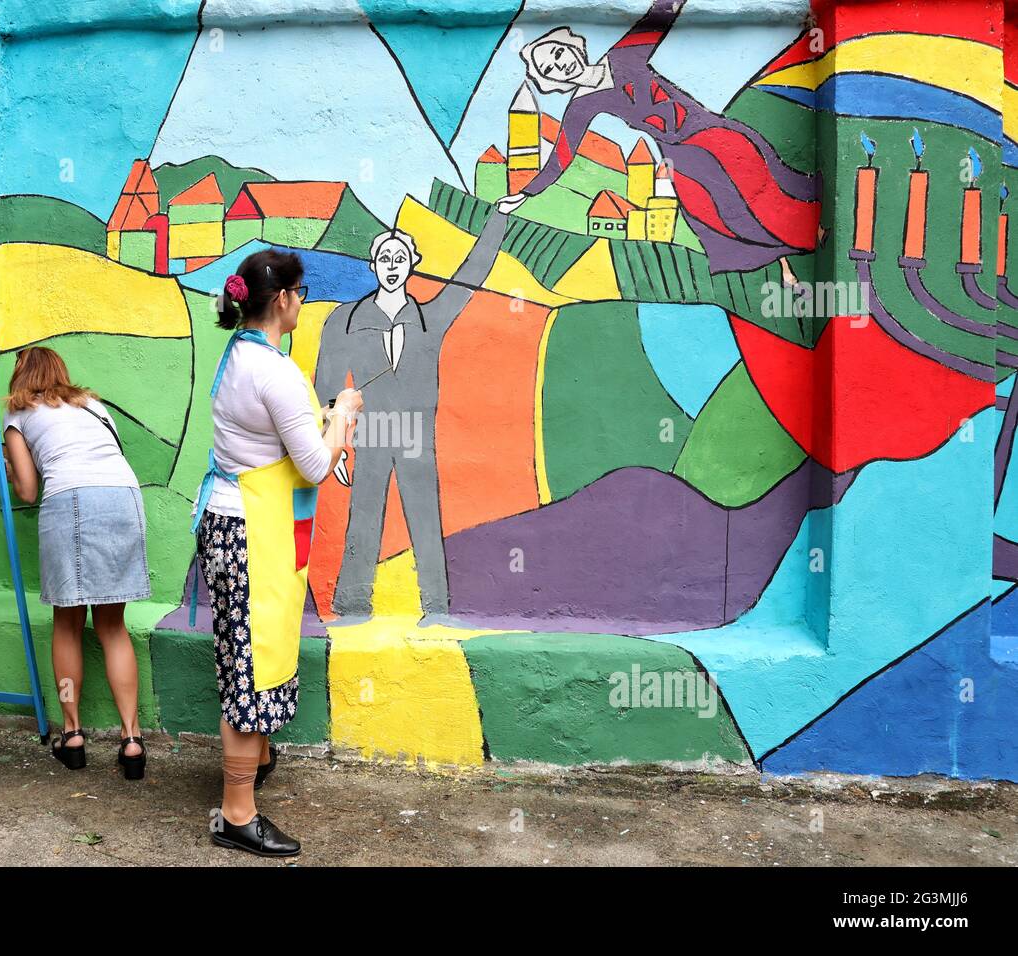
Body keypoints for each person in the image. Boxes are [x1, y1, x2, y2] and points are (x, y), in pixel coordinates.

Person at [191, 250, 362, 856]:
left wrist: (319, 417)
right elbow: (315, 465)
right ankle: (237, 812)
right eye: (303, 292)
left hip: (232, 523)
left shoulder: (240, 354)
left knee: (250, 649)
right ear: (285, 299)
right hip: (252, 533)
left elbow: (268, 436)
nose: (304, 301)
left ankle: (255, 762)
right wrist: (341, 417)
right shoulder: (277, 371)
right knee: (252, 665)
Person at [498, 0, 820, 276]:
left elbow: (660, 15)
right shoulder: (582, 106)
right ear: (552, 81)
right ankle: (785, 259)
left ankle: (809, 234)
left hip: (710, 133)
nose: (560, 64)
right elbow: (561, 158)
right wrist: (525, 194)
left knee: (760, 181)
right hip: (677, 154)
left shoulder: (623, 56)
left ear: (571, 45)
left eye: (557, 53)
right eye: (550, 68)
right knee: (711, 211)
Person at [315, 211, 508, 623]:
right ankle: (353, 607)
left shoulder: (430, 318)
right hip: (371, 432)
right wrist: (334, 445)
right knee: (363, 516)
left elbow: (471, 275)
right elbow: (326, 385)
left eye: (399, 259)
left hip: (415, 433)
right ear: (373, 265)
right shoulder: (346, 320)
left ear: (412, 264)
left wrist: (497, 219)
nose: (391, 267)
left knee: (424, 515)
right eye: (384, 259)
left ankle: (435, 608)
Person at [2, 346, 150, 780]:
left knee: (67, 623)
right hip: (125, 499)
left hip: (72, 501)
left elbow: (28, 491)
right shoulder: (94, 406)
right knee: (112, 625)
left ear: (21, 376)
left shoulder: (18, 413)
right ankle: (132, 739)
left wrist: (10, 469)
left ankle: (72, 734)